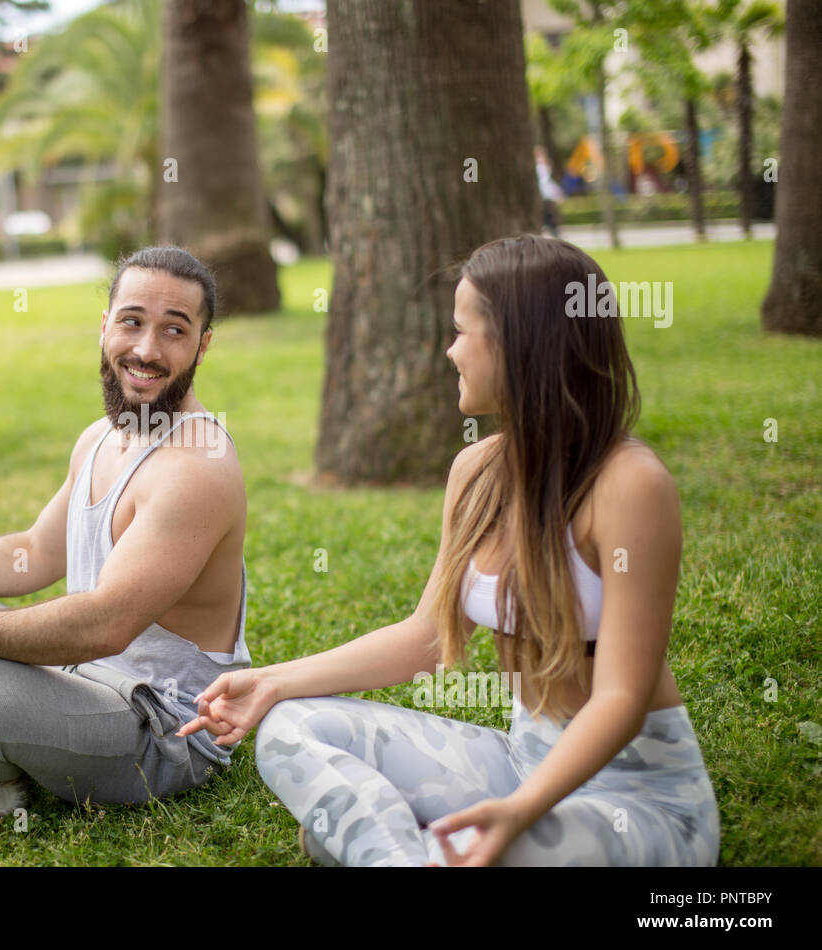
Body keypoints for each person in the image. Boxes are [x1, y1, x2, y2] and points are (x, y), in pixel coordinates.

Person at [178, 234, 721, 867]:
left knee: (512, 851)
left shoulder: (629, 485)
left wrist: (521, 812)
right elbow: (428, 638)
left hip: (636, 798)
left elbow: (622, 699)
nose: (449, 351)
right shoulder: (476, 470)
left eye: (462, 332)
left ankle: (387, 844)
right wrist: (272, 682)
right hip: (520, 760)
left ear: (519, 344)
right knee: (289, 728)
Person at [0, 246, 249, 839]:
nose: (147, 350)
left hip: (163, 733)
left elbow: (107, 623)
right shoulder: (100, 438)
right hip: (87, 680)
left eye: (174, 331)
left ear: (202, 345)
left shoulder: (195, 468)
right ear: (104, 325)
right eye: (132, 321)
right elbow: (36, 550)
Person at [536, 145, 565, 238]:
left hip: (546, 196)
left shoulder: (542, 167)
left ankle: (555, 233)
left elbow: (546, 182)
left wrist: (556, 193)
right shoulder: (539, 167)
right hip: (544, 196)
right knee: (548, 217)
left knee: (549, 217)